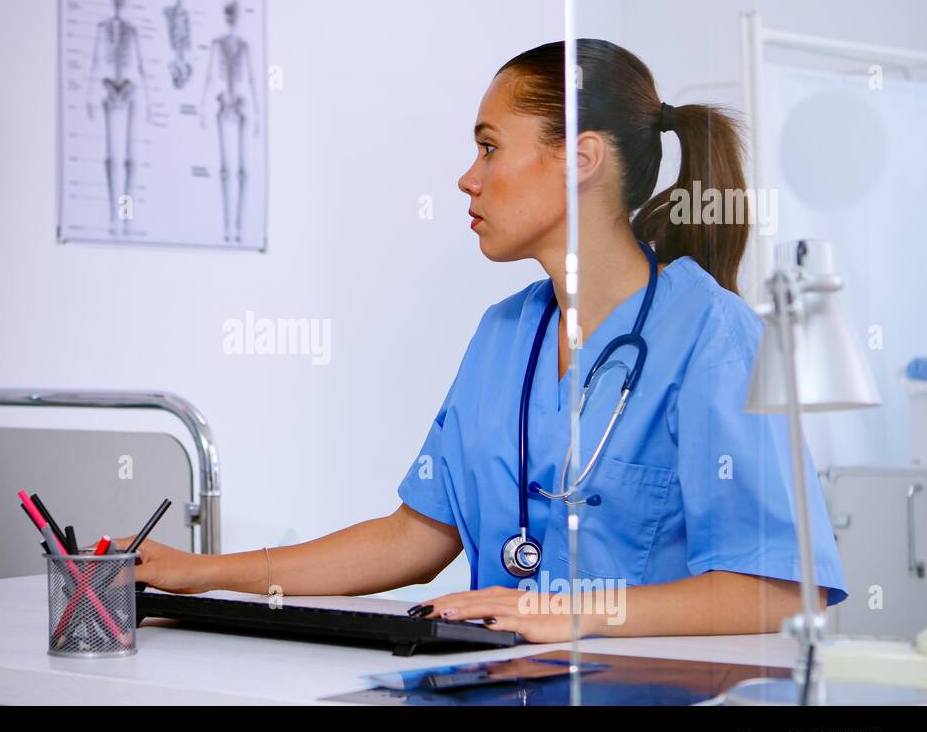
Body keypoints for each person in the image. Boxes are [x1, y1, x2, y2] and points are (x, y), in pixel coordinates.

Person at [116, 39, 847, 643]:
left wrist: (566, 613)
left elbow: (775, 590)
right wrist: (200, 570)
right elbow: (411, 538)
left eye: (490, 147)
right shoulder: (506, 334)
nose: (467, 179)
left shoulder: (714, 337)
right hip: (504, 683)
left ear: (579, 159)